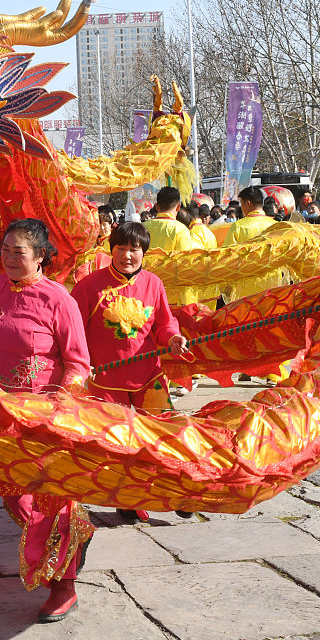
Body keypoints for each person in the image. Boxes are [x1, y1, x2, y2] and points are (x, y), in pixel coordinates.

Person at [0, 219, 92, 624]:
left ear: (41, 255)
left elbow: (78, 363)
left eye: (18, 251)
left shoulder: (59, 300)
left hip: (43, 415)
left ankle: (64, 585)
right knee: (12, 492)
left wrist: (61, 403)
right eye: (5, 250)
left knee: (46, 499)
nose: (9, 258)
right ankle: (71, 538)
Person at [71, 221, 192, 523]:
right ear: (111, 250)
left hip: (149, 376)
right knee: (118, 445)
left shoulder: (154, 284)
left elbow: (165, 323)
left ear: (143, 252)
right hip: (104, 381)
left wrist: (173, 338)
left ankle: (179, 491)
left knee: (164, 436)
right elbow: (72, 331)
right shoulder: (88, 286)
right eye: (121, 248)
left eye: (134, 249)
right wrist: (80, 364)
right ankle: (128, 498)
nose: (127, 255)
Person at [222, 186, 280, 302]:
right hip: (272, 283)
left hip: (245, 287)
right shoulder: (275, 226)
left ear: (248, 203)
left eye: (241, 203)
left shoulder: (238, 226)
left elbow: (226, 257)